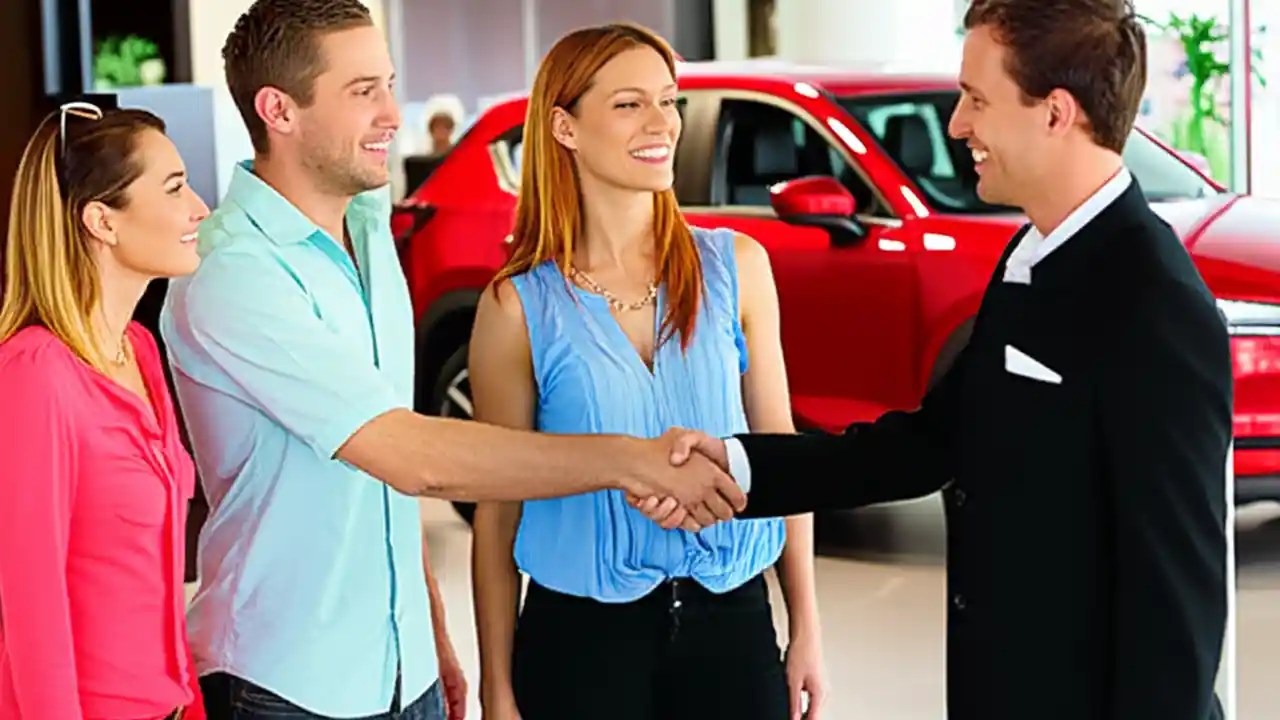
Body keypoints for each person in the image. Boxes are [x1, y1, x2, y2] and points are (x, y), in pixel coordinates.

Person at [646, 1, 1233, 719]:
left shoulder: (1155, 304)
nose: (958, 125)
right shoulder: (1031, 252)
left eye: (976, 100)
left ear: (1056, 113)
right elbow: (931, 443)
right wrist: (739, 467)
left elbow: (1177, 608)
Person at [158, 3, 743, 720]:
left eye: (390, 84)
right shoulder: (232, 274)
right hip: (287, 686)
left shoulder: (369, 227)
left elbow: (380, 493)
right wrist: (631, 459)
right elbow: (411, 456)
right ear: (278, 109)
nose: (393, 114)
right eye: (363, 91)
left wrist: (428, 625)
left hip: (404, 673)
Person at [469, 23, 825, 720]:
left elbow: (782, 451)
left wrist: (806, 623)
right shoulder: (517, 307)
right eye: (630, 104)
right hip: (579, 640)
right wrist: (497, 687)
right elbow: (497, 506)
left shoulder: (738, 268)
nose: (662, 122)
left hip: (734, 622)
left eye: (669, 100)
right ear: (563, 127)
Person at [0, 103, 210, 720]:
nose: (199, 207)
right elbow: (30, 611)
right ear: (102, 221)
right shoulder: (35, 374)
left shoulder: (140, 351)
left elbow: (160, 584)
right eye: (174, 189)